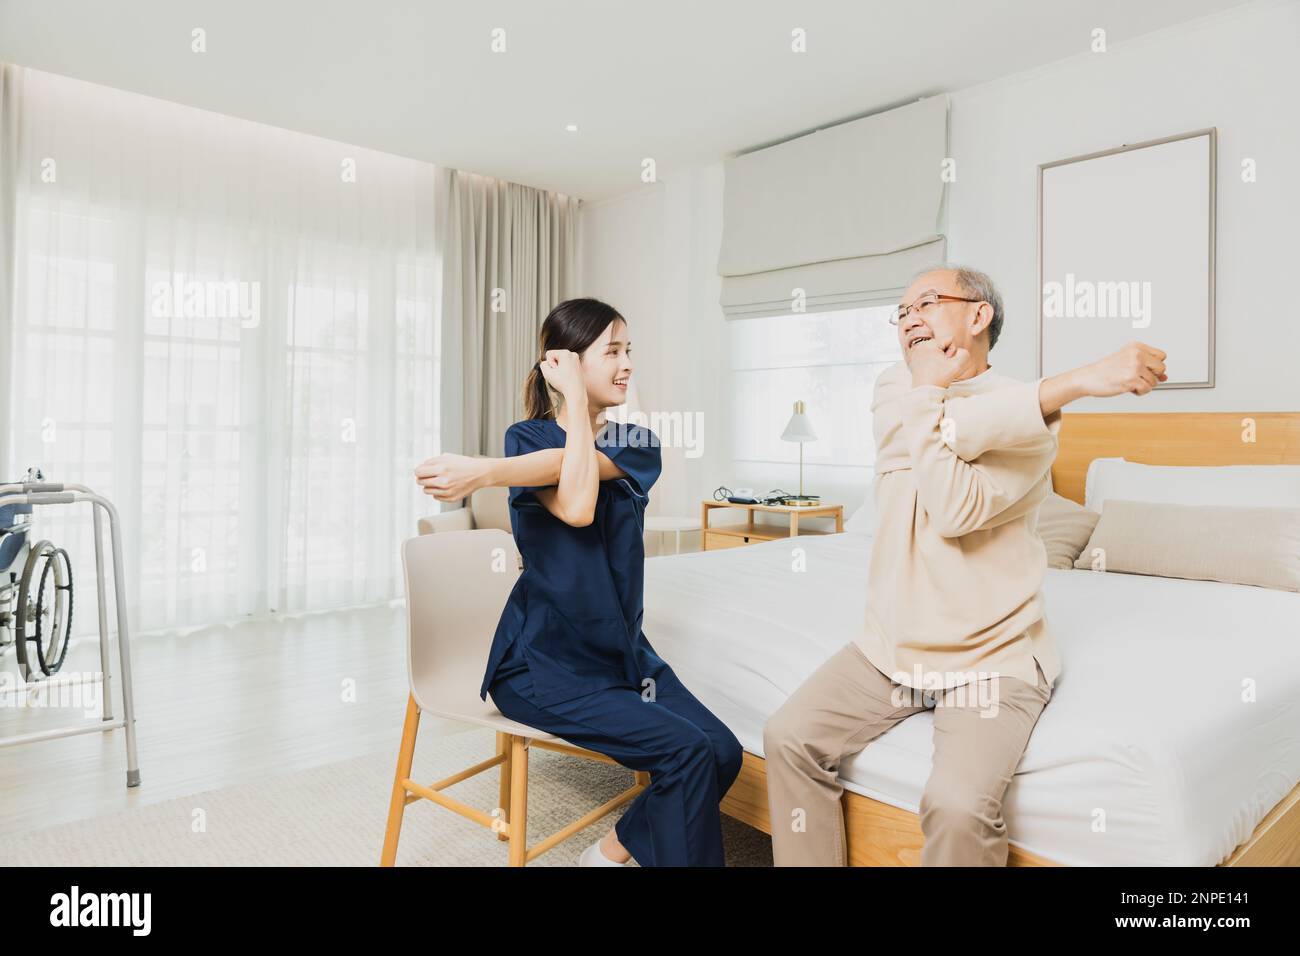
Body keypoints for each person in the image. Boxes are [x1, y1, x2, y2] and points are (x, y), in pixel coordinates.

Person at [763, 265, 1167, 866]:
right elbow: (931, 434)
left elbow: (953, 508)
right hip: (890, 646)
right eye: (900, 314)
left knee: (956, 805)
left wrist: (982, 405)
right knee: (788, 736)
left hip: (993, 656)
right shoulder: (895, 388)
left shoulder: (1033, 431)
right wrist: (1070, 384)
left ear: (978, 316)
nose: (908, 322)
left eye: (925, 303)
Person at [416, 297, 743, 867]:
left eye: (628, 351)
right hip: (543, 664)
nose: (627, 365)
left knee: (721, 751)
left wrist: (486, 471)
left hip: (623, 658)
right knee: (687, 752)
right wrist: (560, 410)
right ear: (564, 363)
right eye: (612, 351)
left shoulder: (637, 443)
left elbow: (579, 474)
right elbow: (576, 505)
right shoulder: (526, 437)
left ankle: (610, 851)